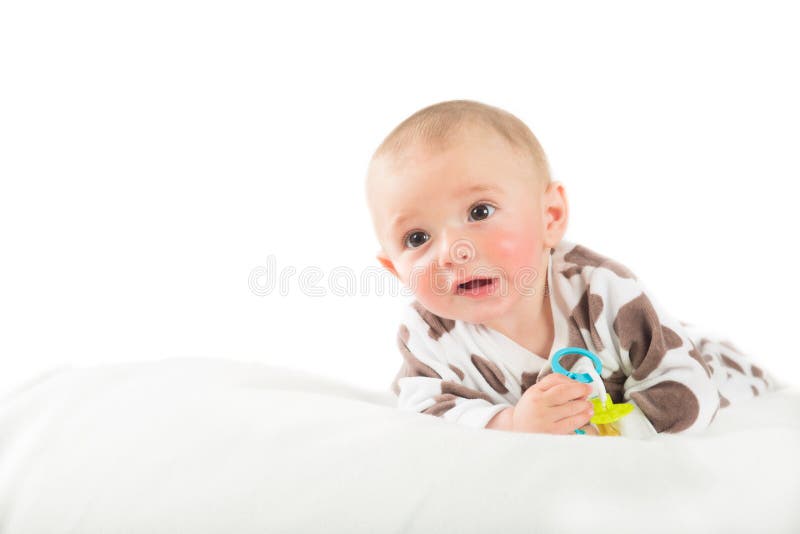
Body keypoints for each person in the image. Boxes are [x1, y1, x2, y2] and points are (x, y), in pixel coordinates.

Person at [365, 99, 779, 438]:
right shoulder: (429, 334)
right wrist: (512, 424)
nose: (453, 250)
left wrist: (614, 432)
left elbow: (687, 386)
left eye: (480, 211)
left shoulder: (599, 289)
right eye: (417, 238)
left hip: (712, 368)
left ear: (550, 216)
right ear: (395, 269)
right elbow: (422, 416)